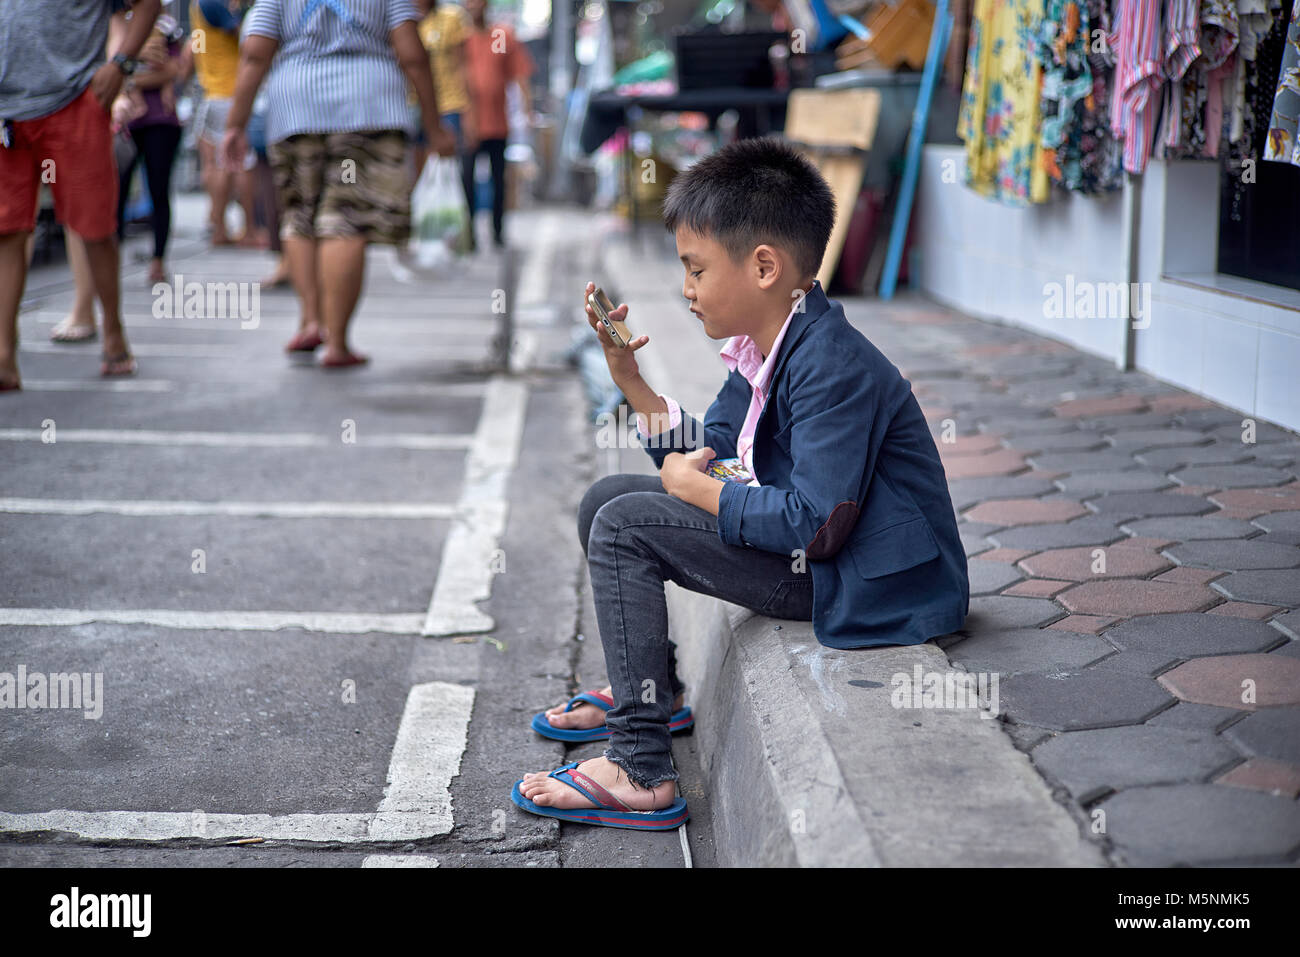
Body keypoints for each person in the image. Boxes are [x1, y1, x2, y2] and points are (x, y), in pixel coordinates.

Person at [513, 137, 970, 829]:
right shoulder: (765, 343)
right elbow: (711, 450)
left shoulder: (831, 363)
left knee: (624, 524)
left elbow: (816, 523)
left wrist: (704, 493)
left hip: (863, 577)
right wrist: (631, 381)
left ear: (763, 266)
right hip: (822, 555)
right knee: (607, 500)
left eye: (695, 269)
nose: (685, 289)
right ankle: (652, 691)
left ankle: (641, 765)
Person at [222, 0, 456, 366]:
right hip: (366, 106)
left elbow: (255, 52)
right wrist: (434, 123)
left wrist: (235, 123)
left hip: (295, 104)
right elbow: (412, 53)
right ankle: (337, 343)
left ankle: (311, 321)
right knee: (345, 217)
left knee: (299, 215)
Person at [0, 0, 162, 391]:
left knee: (94, 228)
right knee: (6, 231)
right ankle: (4, 354)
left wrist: (120, 65)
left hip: (74, 101)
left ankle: (113, 330)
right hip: (6, 111)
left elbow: (147, 5)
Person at [116, 11, 192, 283]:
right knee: (118, 190)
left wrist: (130, 76)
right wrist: (134, 73)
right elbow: (111, 67)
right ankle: (110, 260)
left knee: (159, 190)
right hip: (126, 122)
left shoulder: (165, 24)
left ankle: (158, 261)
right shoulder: (118, 21)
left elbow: (175, 68)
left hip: (161, 120)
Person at [461, 0, 532, 250]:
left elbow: (520, 74)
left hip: (497, 124)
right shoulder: (459, 38)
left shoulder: (501, 36)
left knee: (498, 179)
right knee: (465, 180)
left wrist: (527, 110)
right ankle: (468, 234)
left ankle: (497, 232)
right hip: (467, 124)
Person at [191, 0, 261, 246]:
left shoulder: (197, 6)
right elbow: (250, 42)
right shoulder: (212, 3)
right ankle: (248, 230)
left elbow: (194, 50)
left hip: (212, 93)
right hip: (229, 92)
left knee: (217, 163)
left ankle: (219, 226)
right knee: (241, 162)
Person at [412, 0, 476, 222]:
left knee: (445, 167)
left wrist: (469, 111)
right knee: (415, 170)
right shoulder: (403, 17)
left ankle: (445, 225)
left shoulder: (452, 18)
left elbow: (463, 65)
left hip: (448, 104)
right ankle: (419, 223)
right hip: (412, 104)